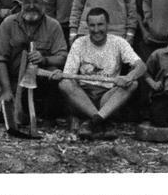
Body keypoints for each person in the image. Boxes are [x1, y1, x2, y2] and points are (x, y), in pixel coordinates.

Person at [54, 8, 146, 140]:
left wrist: (128, 77)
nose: (96, 29)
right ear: (87, 26)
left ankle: (93, 121)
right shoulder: (79, 43)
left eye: (100, 24)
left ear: (107, 24)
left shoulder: (118, 42)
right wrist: (61, 75)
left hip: (107, 97)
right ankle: (101, 119)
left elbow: (141, 66)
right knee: (64, 83)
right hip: (84, 97)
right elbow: (68, 75)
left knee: (133, 83)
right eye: (92, 25)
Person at [0, 0, 68, 120]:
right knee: (6, 115)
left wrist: (44, 59)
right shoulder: (8, 23)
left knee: (55, 82)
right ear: (21, 3)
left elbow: (62, 57)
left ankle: (46, 113)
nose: (31, 6)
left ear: (44, 3)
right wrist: (6, 90)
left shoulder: (53, 25)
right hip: (14, 81)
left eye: (36, 2)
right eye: (27, 2)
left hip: (42, 83)